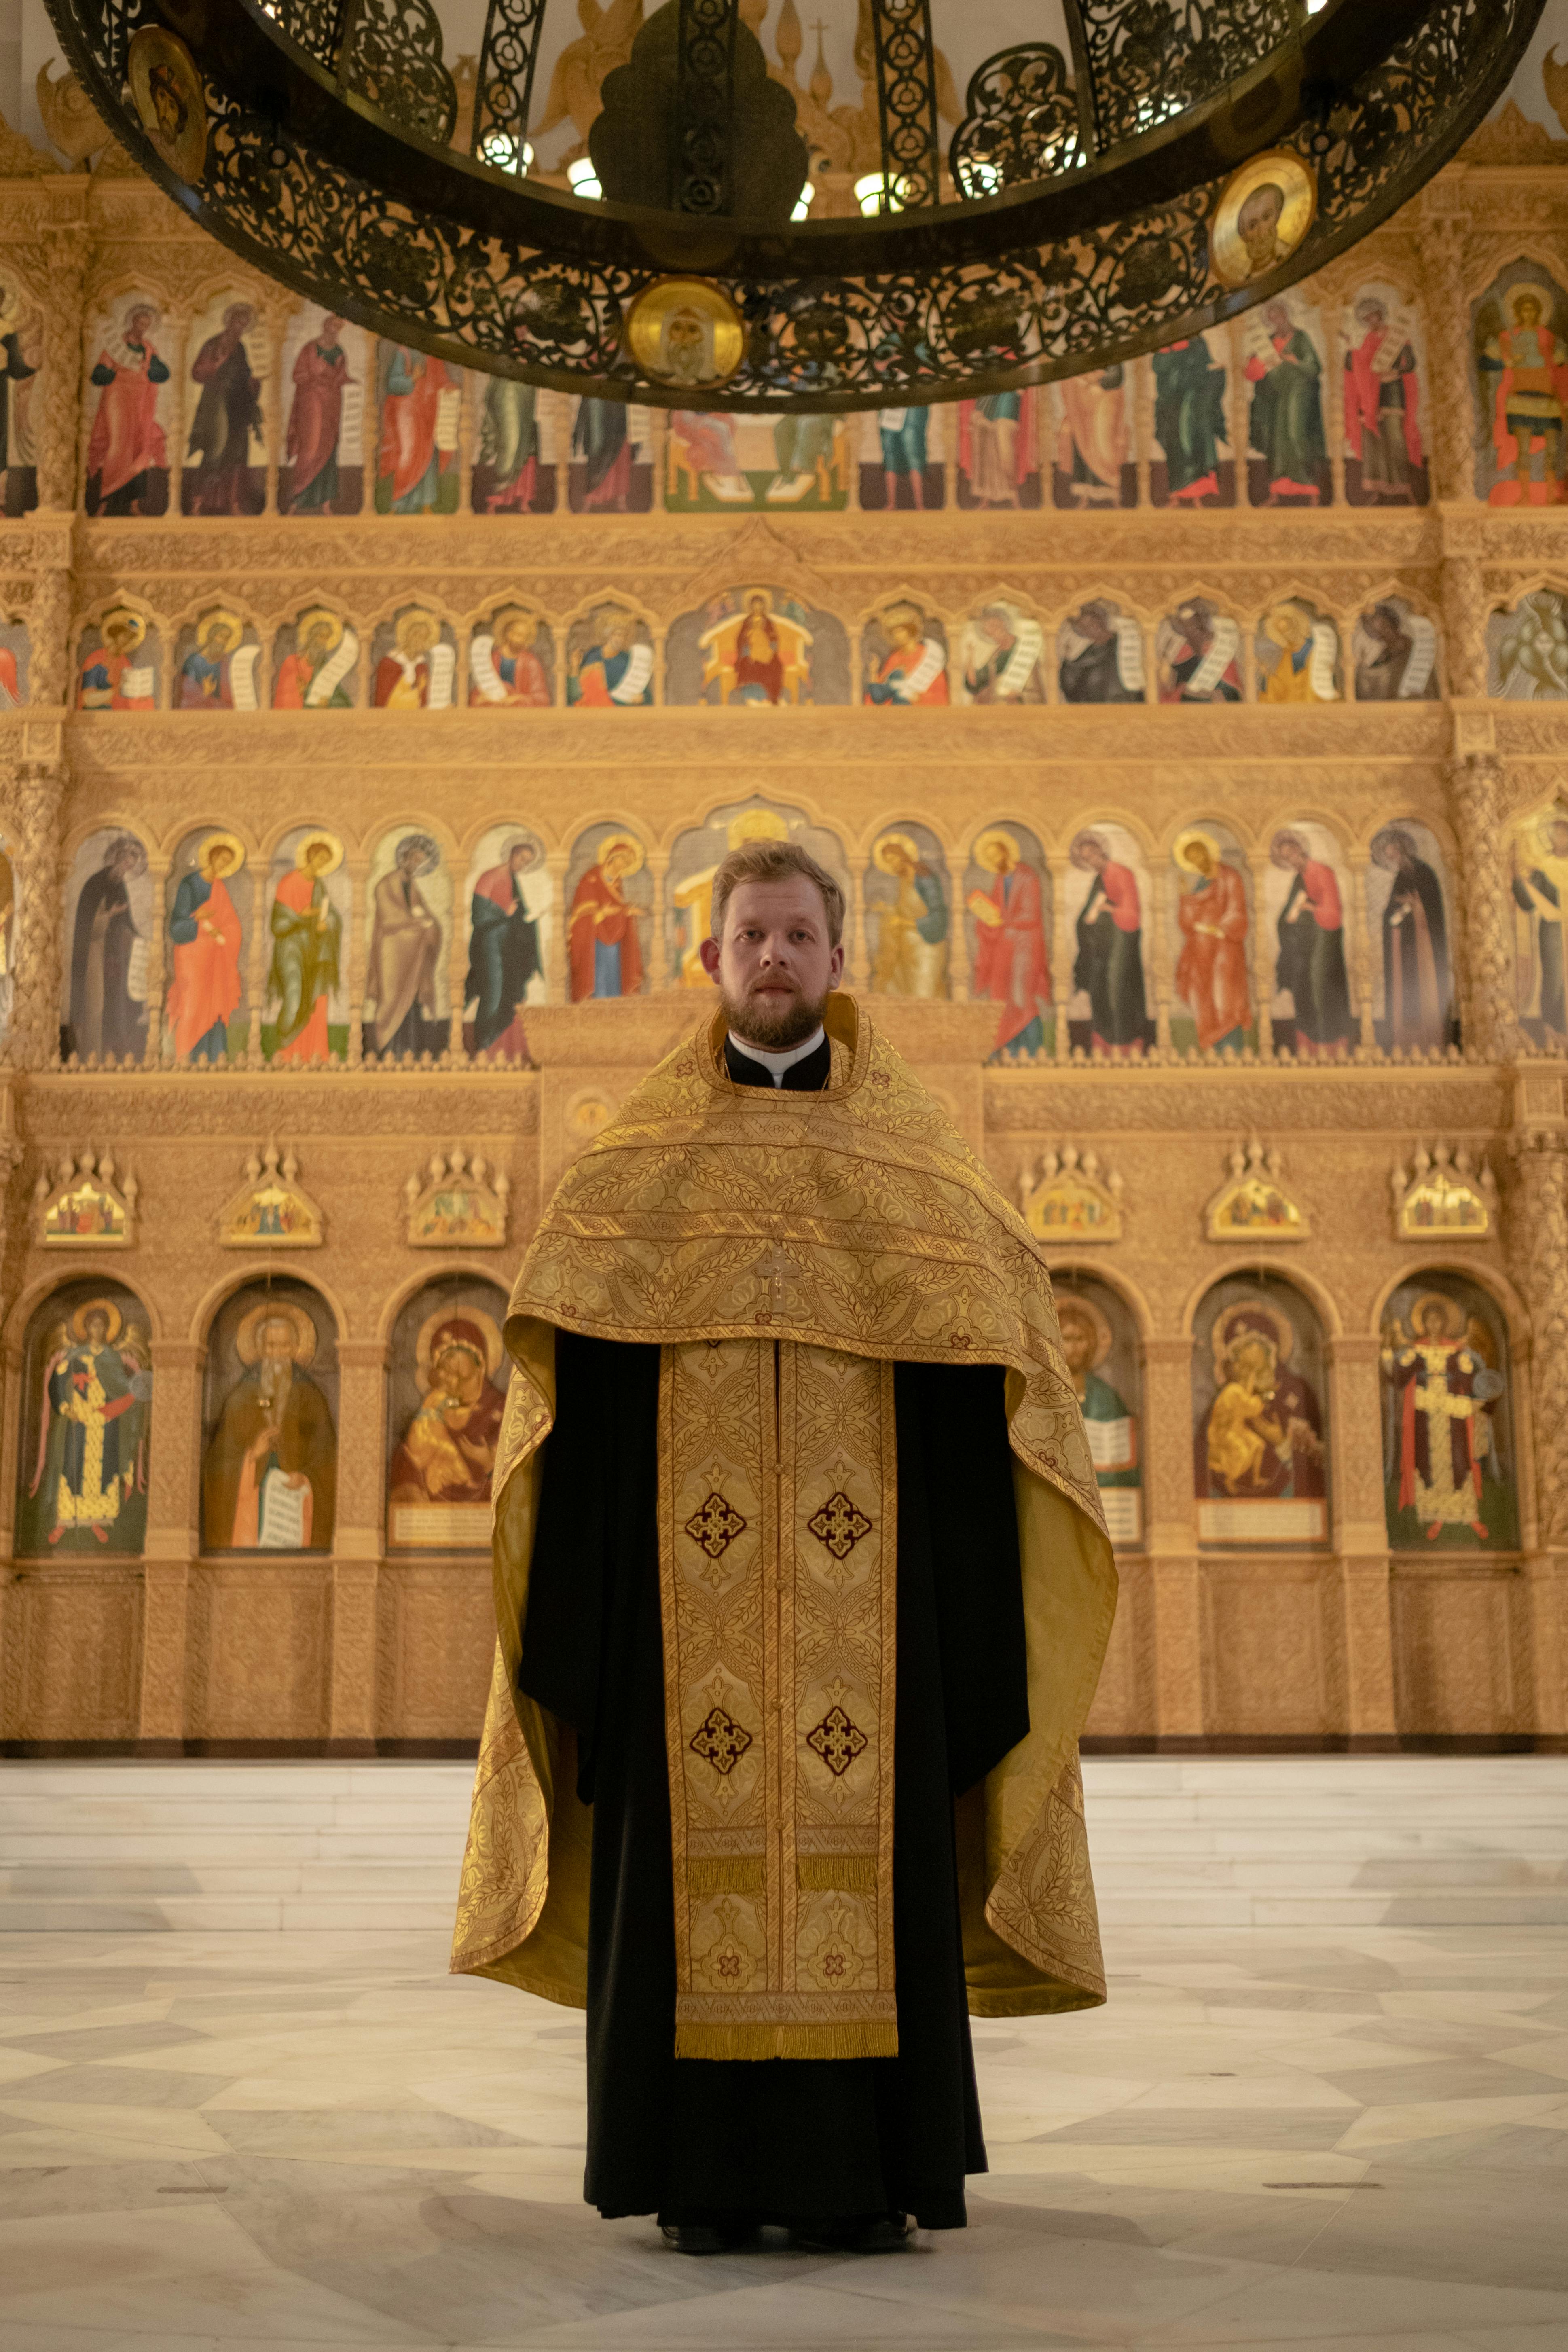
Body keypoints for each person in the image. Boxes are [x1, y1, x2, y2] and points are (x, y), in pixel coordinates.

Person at [450, 835, 1115, 2253]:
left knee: (874, 1881)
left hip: (882, 1642)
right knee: (675, 1894)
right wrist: (569, 1641)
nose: (771, 957)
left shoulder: (920, 1169)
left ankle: (872, 2175)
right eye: (748, 934)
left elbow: (989, 1390)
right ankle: (691, 2176)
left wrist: (968, 1642)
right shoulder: (630, 1172)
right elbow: (576, 1413)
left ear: (835, 957)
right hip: (667, 1643)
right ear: (711, 960)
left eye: (796, 935)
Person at [204, 1305, 336, 1549]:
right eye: (270, 1346)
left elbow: (327, 1455)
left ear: (295, 1348)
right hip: (255, 1499)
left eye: (284, 1346)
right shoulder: (242, 1396)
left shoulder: (310, 1396)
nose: (277, 1354)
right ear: (260, 1349)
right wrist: (252, 1456)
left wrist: (307, 1478)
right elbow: (218, 1460)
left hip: (292, 1503)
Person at [28, 1300, 139, 1546]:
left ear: (107, 1329)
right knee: (72, 1469)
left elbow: (120, 1388)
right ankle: (64, 1523)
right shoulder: (74, 1355)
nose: (97, 1329)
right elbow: (57, 1384)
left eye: (102, 1325)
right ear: (86, 1328)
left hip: (104, 1422)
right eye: (93, 1325)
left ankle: (99, 1520)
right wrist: (67, 1408)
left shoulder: (111, 1357)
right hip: (78, 1421)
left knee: (103, 1471)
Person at [1382, 1300, 1492, 1541]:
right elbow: (1400, 1376)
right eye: (1429, 1320)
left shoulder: (1457, 1350)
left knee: (1459, 1461)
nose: (1434, 1325)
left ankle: (1468, 1515)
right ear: (1423, 1324)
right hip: (1425, 1415)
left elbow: (1472, 1377)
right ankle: (1435, 1515)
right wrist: (1388, 1355)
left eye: (1438, 1320)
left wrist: (1482, 1391)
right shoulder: (1416, 1350)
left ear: (1444, 1323)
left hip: (1454, 1415)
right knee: (1429, 1464)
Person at [389, 1319, 506, 1512]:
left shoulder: (502, 1408)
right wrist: (410, 1487)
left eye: (455, 1352)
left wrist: (489, 1464)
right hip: (431, 1516)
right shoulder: (432, 1409)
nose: (448, 1362)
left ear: (479, 1356)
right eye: (442, 1357)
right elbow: (408, 1460)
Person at [1480, 286, 1568, 507]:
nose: (1528, 314)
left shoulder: (1548, 338)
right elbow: (1486, 363)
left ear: (1538, 312)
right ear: (1518, 312)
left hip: (1547, 397)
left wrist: (1560, 359)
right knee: (1523, 448)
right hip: (1520, 396)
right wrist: (1508, 361)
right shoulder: (1508, 338)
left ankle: (1551, 495)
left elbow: (1560, 369)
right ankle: (1526, 496)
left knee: (1552, 449)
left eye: (1532, 310)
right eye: (1524, 310)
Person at [967, 829, 1049, 1055]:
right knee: (1002, 998)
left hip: (1025, 946)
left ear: (1005, 852)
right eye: (990, 859)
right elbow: (997, 909)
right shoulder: (1001, 878)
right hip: (1005, 946)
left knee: (1022, 998)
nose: (994, 861)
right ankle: (1008, 1051)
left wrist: (1004, 921)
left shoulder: (1028, 876)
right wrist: (986, 919)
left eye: (996, 855)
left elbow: (1031, 915)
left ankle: (1033, 1051)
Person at [1272, 830, 1353, 1056]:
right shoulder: (1299, 879)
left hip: (1324, 946)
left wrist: (1310, 909)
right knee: (1304, 991)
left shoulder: (1323, 872)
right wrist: (1288, 920)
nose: (1290, 859)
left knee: (1323, 992)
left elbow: (1333, 915)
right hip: (1305, 948)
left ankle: (1330, 1049)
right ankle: (1308, 1048)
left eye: (1291, 853)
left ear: (1300, 849)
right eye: (1285, 857)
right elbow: (1287, 914)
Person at [85, 301, 169, 516]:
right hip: (118, 400)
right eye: (140, 323)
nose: (142, 328)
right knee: (118, 446)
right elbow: (97, 376)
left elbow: (163, 374)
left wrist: (150, 368)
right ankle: (105, 502)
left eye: (146, 325)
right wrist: (113, 371)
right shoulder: (116, 347)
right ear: (132, 322)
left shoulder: (148, 349)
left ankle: (134, 505)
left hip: (141, 402)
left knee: (139, 448)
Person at [67, 833, 146, 1062]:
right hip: (93, 954)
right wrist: (110, 915)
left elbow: (127, 921)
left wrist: (138, 939)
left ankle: (112, 1053)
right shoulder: (95, 884)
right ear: (116, 860)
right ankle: (91, 1054)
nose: (124, 871)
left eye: (129, 868)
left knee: (115, 1003)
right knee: (95, 1005)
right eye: (124, 864)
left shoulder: (119, 886)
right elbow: (87, 927)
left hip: (113, 957)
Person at [1372, 826, 1452, 1052]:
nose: (1394, 859)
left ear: (1404, 850)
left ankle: (1430, 1040)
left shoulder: (1425, 873)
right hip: (1405, 945)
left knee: (1423, 988)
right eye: (1390, 857)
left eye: (1395, 854)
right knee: (1406, 989)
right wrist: (1397, 914)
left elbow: (1432, 910)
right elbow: (1391, 911)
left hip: (1423, 944)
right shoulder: (1401, 876)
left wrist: (1416, 908)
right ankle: (1405, 1042)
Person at [165, 835, 243, 1061]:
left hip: (215, 959)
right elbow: (177, 928)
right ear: (212, 857)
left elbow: (231, 924)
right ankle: (187, 1058)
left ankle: (214, 1058)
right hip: (193, 957)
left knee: (215, 1007)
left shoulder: (220, 888)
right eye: (222, 859)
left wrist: (223, 934)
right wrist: (197, 920)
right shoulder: (189, 884)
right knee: (193, 1005)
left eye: (228, 862)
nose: (223, 865)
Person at [367, 834, 446, 1058]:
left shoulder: (412, 887)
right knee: (390, 998)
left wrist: (432, 927)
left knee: (413, 999)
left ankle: (410, 1050)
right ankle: (388, 1050)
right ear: (404, 858)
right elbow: (390, 919)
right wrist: (419, 922)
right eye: (414, 859)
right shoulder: (385, 884)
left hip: (413, 951)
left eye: (420, 862)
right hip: (392, 950)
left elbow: (425, 914)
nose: (416, 864)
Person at [1071, 831, 1147, 1056]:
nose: (1092, 861)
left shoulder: (1123, 873)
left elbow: (1132, 915)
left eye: (1093, 855)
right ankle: (1104, 1043)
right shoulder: (1098, 880)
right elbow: (1087, 914)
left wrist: (1109, 909)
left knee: (1119, 987)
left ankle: (1125, 1045)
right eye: (1086, 859)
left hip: (1123, 944)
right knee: (1100, 987)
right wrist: (1086, 921)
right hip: (1102, 947)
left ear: (1101, 851)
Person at [1244, 298, 1325, 505]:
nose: (1277, 322)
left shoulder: (1300, 338)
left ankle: (1311, 490)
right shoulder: (1268, 342)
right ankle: (1276, 492)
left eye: (1279, 317)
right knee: (1277, 442)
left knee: (1295, 435)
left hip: (1299, 395)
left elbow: (1314, 368)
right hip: (1275, 397)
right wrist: (1255, 362)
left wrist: (1294, 361)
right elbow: (1257, 373)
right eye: (1272, 320)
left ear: (1286, 316)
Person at [1343, 295, 1423, 504]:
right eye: (1367, 318)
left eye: (1374, 316)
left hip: (1392, 394)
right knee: (1373, 442)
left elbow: (1411, 363)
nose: (1372, 321)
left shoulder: (1397, 338)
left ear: (1381, 315)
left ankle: (1403, 488)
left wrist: (1395, 372)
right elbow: (1353, 367)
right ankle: (1378, 490)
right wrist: (1350, 349)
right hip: (1369, 397)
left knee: (1396, 439)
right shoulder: (1367, 341)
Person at [1174, 832, 1249, 1053]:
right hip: (1199, 952)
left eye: (1199, 854)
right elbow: (1187, 923)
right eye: (1192, 858)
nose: (1198, 860)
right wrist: (1185, 897)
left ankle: (1232, 1050)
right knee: (1203, 998)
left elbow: (1237, 911)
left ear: (1208, 852)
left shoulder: (1230, 877)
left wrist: (1217, 928)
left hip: (1225, 949)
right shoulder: (1200, 883)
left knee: (1225, 998)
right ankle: (1213, 1051)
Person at [269, 835, 342, 1062]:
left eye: (325, 860)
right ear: (310, 856)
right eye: (319, 857)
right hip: (291, 949)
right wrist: (302, 919)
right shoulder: (289, 882)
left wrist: (325, 923)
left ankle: (314, 1051)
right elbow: (278, 924)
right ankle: (286, 1050)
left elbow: (331, 915)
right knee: (295, 997)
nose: (321, 863)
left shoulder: (319, 885)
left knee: (316, 998)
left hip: (314, 950)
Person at [467, 839, 542, 1056]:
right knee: (493, 994)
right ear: (512, 854)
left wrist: (529, 921)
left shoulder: (513, 880)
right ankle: (485, 1047)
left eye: (527, 863)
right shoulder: (491, 876)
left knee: (509, 995)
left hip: (508, 947)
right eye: (522, 859)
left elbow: (516, 914)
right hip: (489, 944)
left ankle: (502, 1049)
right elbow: (478, 915)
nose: (523, 864)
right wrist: (504, 914)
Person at [186, 303, 262, 516]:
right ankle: (197, 503)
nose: (240, 328)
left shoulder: (240, 348)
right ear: (230, 321)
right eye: (238, 322)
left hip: (237, 406)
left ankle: (233, 503)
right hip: (217, 404)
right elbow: (197, 373)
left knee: (237, 454)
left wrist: (253, 384)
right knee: (215, 451)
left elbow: (245, 375)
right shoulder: (215, 344)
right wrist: (217, 365)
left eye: (244, 325)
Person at [285, 315, 352, 513]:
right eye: (333, 325)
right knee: (310, 450)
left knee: (329, 448)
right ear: (325, 326)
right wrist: (317, 373)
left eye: (338, 327)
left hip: (331, 404)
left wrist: (337, 376)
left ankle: (326, 504)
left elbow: (339, 377)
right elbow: (298, 375)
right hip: (311, 403)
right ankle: (297, 499)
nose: (335, 330)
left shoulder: (340, 352)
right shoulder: (310, 349)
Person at [378, 345, 455, 512]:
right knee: (408, 453)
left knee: (428, 454)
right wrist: (413, 379)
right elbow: (393, 383)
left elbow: (441, 380)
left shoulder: (434, 355)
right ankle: (399, 502)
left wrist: (448, 387)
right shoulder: (403, 353)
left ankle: (425, 503)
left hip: (428, 410)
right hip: (407, 408)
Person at [870, 833, 948, 997]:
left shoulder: (924, 878)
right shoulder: (904, 881)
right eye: (888, 862)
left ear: (903, 856)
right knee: (904, 996)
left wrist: (904, 923)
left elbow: (939, 916)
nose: (892, 865)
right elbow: (904, 911)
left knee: (924, 995)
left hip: (927, 945)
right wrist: (887, 910)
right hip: (907, 948)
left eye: (893, 860)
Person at [1151, 337, 1226, 505]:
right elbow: (1158, 365)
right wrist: (1177, 354)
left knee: (1189, 441)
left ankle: (1198, 495)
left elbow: (1203, 364)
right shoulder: (1165, 343)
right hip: (1169, 401)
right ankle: (1178, 491)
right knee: (1172, 443)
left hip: (1191, 400)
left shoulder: (1197, 342)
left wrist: (1176, 356)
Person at [568, 835, 644, 997]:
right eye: (623, 861)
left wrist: (628, 912)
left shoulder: (617, 883)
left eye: (628, 864)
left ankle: (613, 1002)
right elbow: (581, 911)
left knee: (614, 969)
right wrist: (601, 914)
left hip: (614, 935)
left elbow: (618, 907)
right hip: (594, 935)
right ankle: (598, 1001)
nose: (624, 866)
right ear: (612, 857)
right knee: (599, 969)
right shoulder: (591, 878)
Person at [1056, 365, 1127, 506]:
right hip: (1083, 413)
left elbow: (1115, 378)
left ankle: (1111, 493)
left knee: (1104, 447)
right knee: (1077, 438)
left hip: (1104, 405)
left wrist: (1094, 378)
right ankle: (1085, 496)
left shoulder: (1110, 351)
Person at [478, 377, 540, 512]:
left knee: (525, 445)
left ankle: (524, 500)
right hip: (508, 387)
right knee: (510, 443)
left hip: (526, 389)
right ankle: (496, 500)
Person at [863, 605, 948, 705]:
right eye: (894, 633)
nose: (897, 636)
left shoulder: (928, 655)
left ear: (910, 630)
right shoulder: (895, 658)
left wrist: (920, 697)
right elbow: (881, 693)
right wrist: (874, 672)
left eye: (900, 631)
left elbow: (939, 691)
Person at [470, 608, 552, 707]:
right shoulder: (492, 659)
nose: (522, 641)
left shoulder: (531, 662)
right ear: (509, 634)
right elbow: (480, 690)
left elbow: (541, 698)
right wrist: (481, 698)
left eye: (525, 637)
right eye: (518, 635)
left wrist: (517, 699)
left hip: (521, 714)